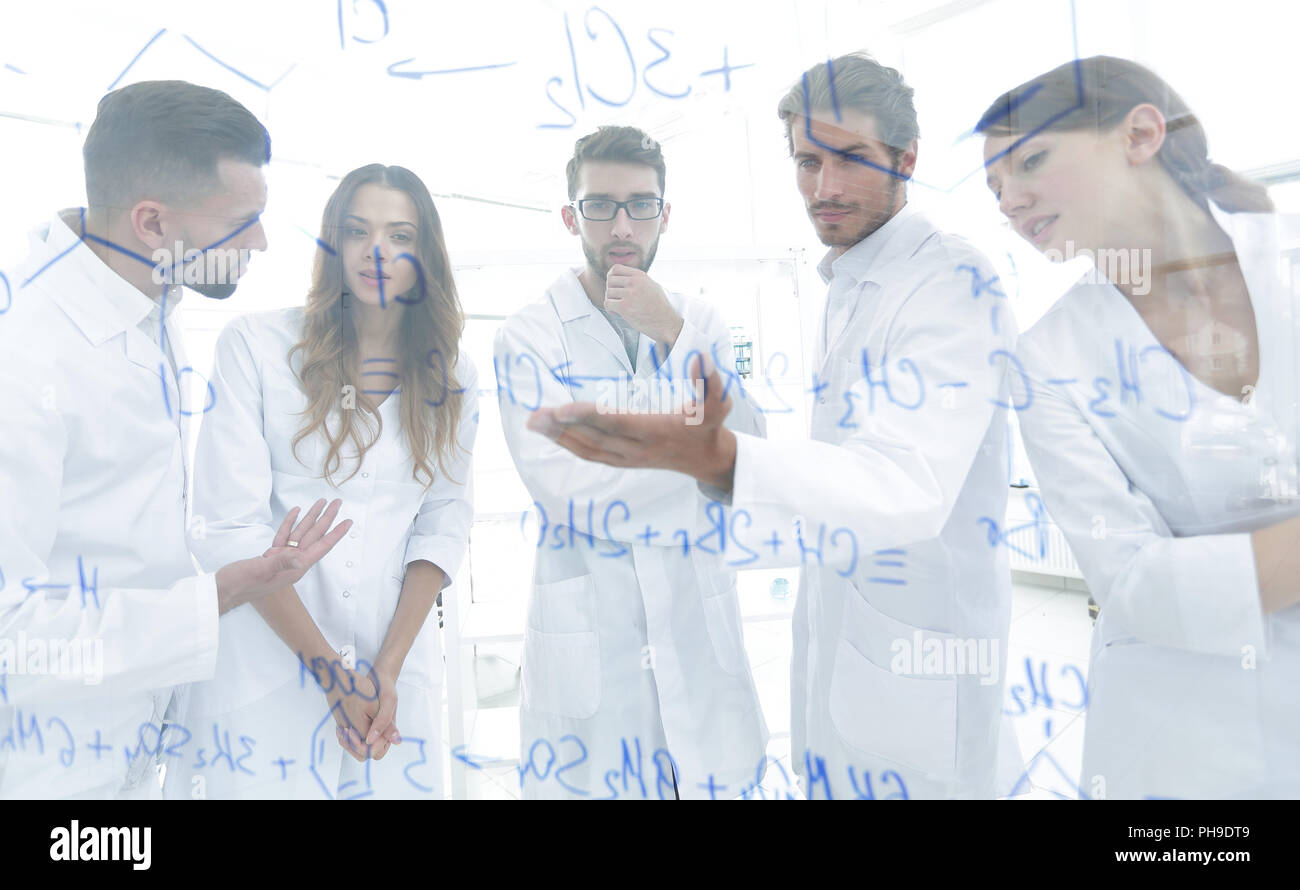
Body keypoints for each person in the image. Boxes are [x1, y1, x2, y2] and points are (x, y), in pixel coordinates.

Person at [528, 56, 1022, 799]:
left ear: (906, 159)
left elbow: (905, 484)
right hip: (845, 667)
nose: (823, 188)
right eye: (807, 162)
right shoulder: (851, 283)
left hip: (921, 688)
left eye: (850, 160)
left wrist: (718, 458)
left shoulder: (949, 283)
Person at [0, 80, 351, 800]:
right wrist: (221, 593)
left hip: (129, 747)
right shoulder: (23, 355)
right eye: (241, 220)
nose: (258, 241)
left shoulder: (147, 299)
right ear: (153, 222)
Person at [977, 56, 1300, 799]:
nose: (1010, 202)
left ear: (1141, 133)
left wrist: (1236, 568)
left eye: (1030, 161)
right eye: (996, 190)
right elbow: (1130, 582)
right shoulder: (1046, 355)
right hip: (1183, 727)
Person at [161, 165, 477, 800]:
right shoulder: (256, 345)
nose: (376, 251)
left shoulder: (454, 376)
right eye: (356, 232)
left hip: (390, 681)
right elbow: (229, 527)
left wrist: (382, 669)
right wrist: (333, 675)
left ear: (426, 253)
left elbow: (443, 524)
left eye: (399, 234)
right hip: (266, 669)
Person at [494, 126, 769, 799]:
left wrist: (673, 334)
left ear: (665, 214)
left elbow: (755, 454)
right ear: (570, 216)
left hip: (696, 638)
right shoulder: (528, 335)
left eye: (641, 205)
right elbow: (568, 490)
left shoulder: (698, 320)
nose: (622, 226)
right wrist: (700, 461)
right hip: (596, 654)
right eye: (601, 205)